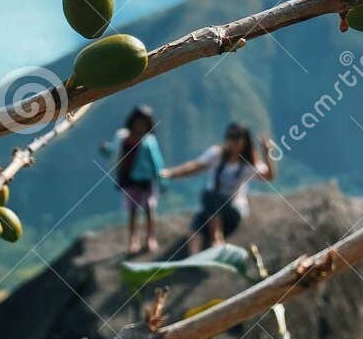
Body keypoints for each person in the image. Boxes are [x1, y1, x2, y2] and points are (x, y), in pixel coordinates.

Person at [164, 122, 276, 252]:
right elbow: (195, 166)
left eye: (236, 138)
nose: (232, 141)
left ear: (245, 141)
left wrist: (266, 153)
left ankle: (216, 239)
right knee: (196, 225)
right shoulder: (216, 154)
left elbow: (268, 176)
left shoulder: (248, 164)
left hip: (233, 211)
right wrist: (171, 173)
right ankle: (195, 258)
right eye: (230, 137)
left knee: (210, 195)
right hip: (211, 209)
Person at [100, 106, 166, 255]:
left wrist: (162, 180)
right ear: (132, 122)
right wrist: (105, 149)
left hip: (145, 182)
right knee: (132, 211)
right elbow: (114, 150)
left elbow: (157, 162)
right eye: (138, 122)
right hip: (128, 180)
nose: (140, 126)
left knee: (149, 210)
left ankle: (150, 238)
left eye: (144, 123)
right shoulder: (122, 138)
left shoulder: (149, 141)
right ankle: (133, 240)